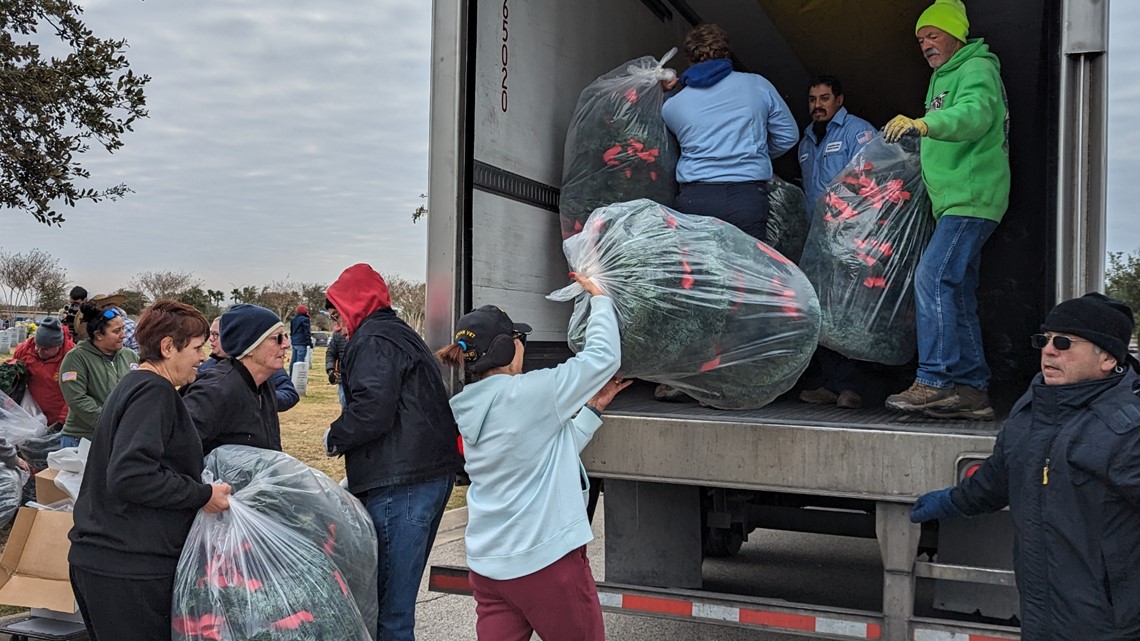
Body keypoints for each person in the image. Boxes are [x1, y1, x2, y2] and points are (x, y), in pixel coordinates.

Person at [910, 293, 1140, 640]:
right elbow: (997, 479)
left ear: (1107, 358)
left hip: (1107, 628)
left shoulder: (1128, 429)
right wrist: (952, 501)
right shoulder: (1032, 408)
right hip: (1039, 620)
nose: (1048, 351)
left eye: (1064, 343)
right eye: (1044, 340)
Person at [436, 273, 629, 641]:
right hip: (545, 566)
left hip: (490, 570)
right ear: (506, 351)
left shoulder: (471, 407)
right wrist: (602, 298)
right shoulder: (529, 393)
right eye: (518, 339)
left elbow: (543, 451)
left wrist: (593, 409)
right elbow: (604, 358)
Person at [68, 301, 231, 641]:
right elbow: (132, 475)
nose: (202, 358)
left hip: (109, 562)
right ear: (168, 347)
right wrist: (202, 495)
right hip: (129, 568)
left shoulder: (134, 384)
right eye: (196, 348)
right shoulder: (154, 392)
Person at [882, 0, 1010, 420]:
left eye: (933, 35)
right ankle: (972, 390)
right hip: (954, 200)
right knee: (957, 290)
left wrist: (923, 124)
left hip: (971, 197)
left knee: (932, 277)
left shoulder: (977, 69)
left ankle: (934, 380)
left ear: (956, 35)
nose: (925, 44)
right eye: (920, 39)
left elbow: (974, 115)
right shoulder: (943, 77)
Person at [323, 263, 463, 641]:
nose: (336, 327)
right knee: (396, 603)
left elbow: (371, 411)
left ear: (355, 304)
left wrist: (335, 436)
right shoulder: (399, 333)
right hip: (426, 476)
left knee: (389, 610)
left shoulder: (372, 340)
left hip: (401, 484)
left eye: (336, 315)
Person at [660, 23, 799, 241]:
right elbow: (788, 135)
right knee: (747, 262)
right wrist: (754, 152)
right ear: (726, 53)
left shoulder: (673, 106)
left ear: (689, 59)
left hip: (695, 200)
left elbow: (663, 148)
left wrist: (665, 93)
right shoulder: (757, 85)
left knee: (699, 262)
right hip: (746, 199)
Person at [795, 74, 877, 410]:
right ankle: (830, 384)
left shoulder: (858, 132)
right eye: (812, 99)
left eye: (824, 98)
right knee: (822, 309)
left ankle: (853, 386)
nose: (817, 106)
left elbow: (873, 179)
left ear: (839, 100)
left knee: (850, 309)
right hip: (818, 238)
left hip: (851, 234)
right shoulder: (806, 141)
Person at [182, 304, 287, 454]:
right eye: (278, 338)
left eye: (286, 336)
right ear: (249, 347)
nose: (286, 344)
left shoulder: (263, 383)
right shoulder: (214, 391)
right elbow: (176, 447)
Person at [58, 303, 139, 448]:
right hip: (82, 439)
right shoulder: (76, 358)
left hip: (119, 437)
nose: (123, 335)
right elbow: (77, 399)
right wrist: (112, 421)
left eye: (123, 329)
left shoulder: (130, 356)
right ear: (99, 335)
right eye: (116, 331)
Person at [198, 315, 299, 412]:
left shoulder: (264, 364)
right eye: (211, 334)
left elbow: (289, 393)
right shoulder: (205, 368)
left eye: (216, 334)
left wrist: (259, 399)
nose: (211, 339)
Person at [11, 317, 75, 426]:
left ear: (59, 345)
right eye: (37, 346)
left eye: (45, 349)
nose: (39, 351)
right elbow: (14, 378)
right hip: (31, 414)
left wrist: (62, 421)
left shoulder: (71, 358)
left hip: (58, 417)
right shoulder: (24, 350)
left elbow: (74, 393)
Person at [325, 320, 348, 408]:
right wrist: (330, 370)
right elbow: (331, 353)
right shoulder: (338, 334)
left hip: (359, 377)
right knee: (344, 403)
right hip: (343, 376)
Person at [289, 303, 312, 374]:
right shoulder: (305, 320)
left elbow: (292, 331)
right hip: (301, 342)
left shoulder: (293, 319)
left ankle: (291, 375)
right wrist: (309, 342)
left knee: (293, 360)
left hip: (294, 342)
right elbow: (307, 332)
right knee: (300, 361)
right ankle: (297, 376)